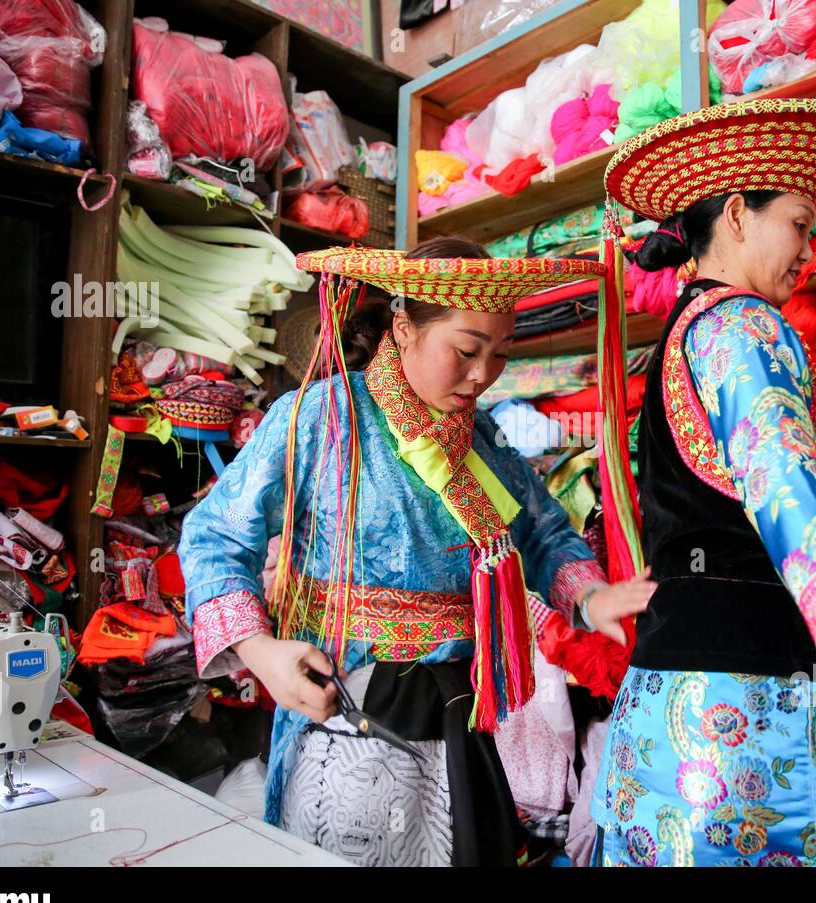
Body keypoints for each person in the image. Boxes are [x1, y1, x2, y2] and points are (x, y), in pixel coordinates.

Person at [179, 236, 655, 866]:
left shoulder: (482, 437)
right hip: (352, 707)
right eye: (465, 351)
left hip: (462, 715)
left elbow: (542, 533)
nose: (483, 375)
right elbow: (214, 535)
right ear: (403, 327)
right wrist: (259, 650)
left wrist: (590, 597)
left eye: (500, 355)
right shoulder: (322, 417)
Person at [589, 99, 816, 866]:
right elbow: (791, 493)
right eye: (798, 223)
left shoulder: (687, 328)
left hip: (676, 697)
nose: (812, 250)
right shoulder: (740, 326)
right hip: (741, 716)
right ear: (735, 214)